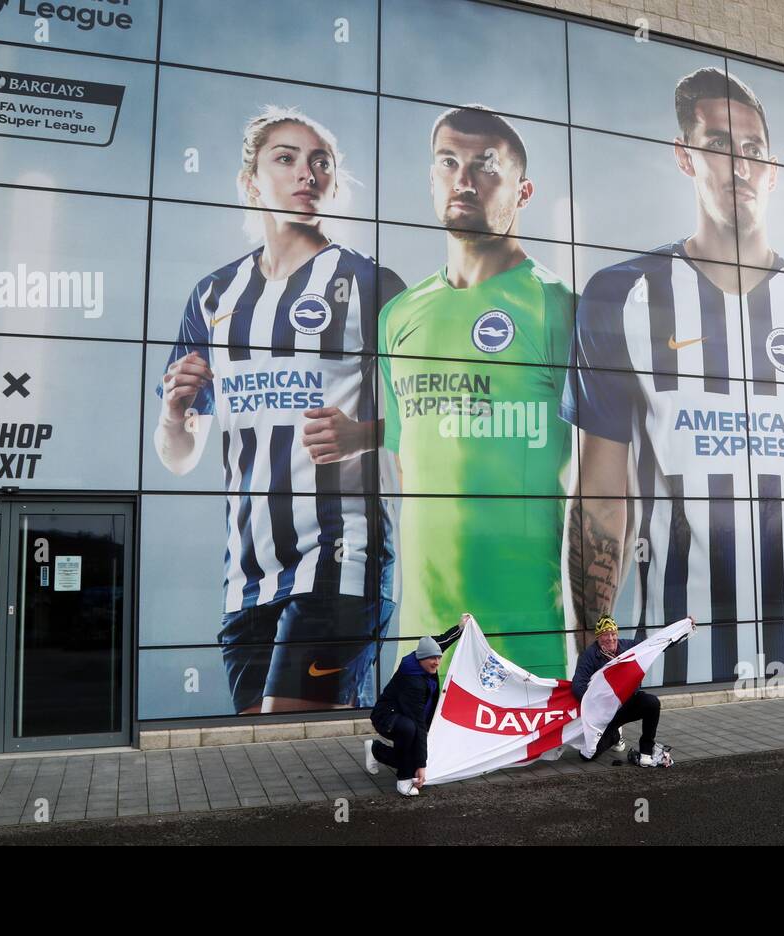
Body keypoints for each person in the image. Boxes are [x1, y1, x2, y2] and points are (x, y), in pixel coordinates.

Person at [563, 67, 784, 684]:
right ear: (685, 157)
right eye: (718, 145)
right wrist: (590, 665)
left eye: (752, 151)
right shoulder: (621, 296)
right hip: (676, 674)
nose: (738, 166)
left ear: (772, 171)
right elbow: (600, 501)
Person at [155, 105, 404, 714]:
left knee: (288, 736)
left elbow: (430, 421)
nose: (306, 173)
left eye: (320, 162)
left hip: (342, 559)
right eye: (286, 158)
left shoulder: (371, 285)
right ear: (250, 182)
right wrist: (173, 412)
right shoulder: (214, 295)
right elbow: (179, 456)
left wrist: (362, 434)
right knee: (268, 757)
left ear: (335, 183)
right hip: (248, 575)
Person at [378, 104, 575, 678]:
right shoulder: (398, 316)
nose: (463, 180)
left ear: (524, 190)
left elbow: (602, 479)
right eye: (448, 162)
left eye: (485, 166)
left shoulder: (559, 307)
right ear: (431, 178)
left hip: (527, 648)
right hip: (422, 650)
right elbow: (404, 471)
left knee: (546, 777)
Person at [365, 617, 466, 796]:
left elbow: (441, 641)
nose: (436, 662)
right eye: (432, 659)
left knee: (410, 748)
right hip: (386, 717)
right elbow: (417, 723)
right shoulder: (413, 681)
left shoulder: (424, 657)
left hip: (402, 713)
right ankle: (403, 780)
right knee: (410, 730)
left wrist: (460, 628)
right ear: (421, 659)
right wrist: (421, 765)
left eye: (438, 657)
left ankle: (376, 750)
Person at [572, 616, 674, 767]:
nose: (610, 638)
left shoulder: (628, 647)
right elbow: (578, 685)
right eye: (605, 635)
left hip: (628, 703)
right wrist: (595, 706)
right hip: (605, 713)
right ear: (598, 637)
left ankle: (646, 749)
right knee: (586, 756)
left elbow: (655, 645)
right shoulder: (589, 656)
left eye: (613, 634)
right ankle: (615, 735)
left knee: (651, 703)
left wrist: (681, 631)